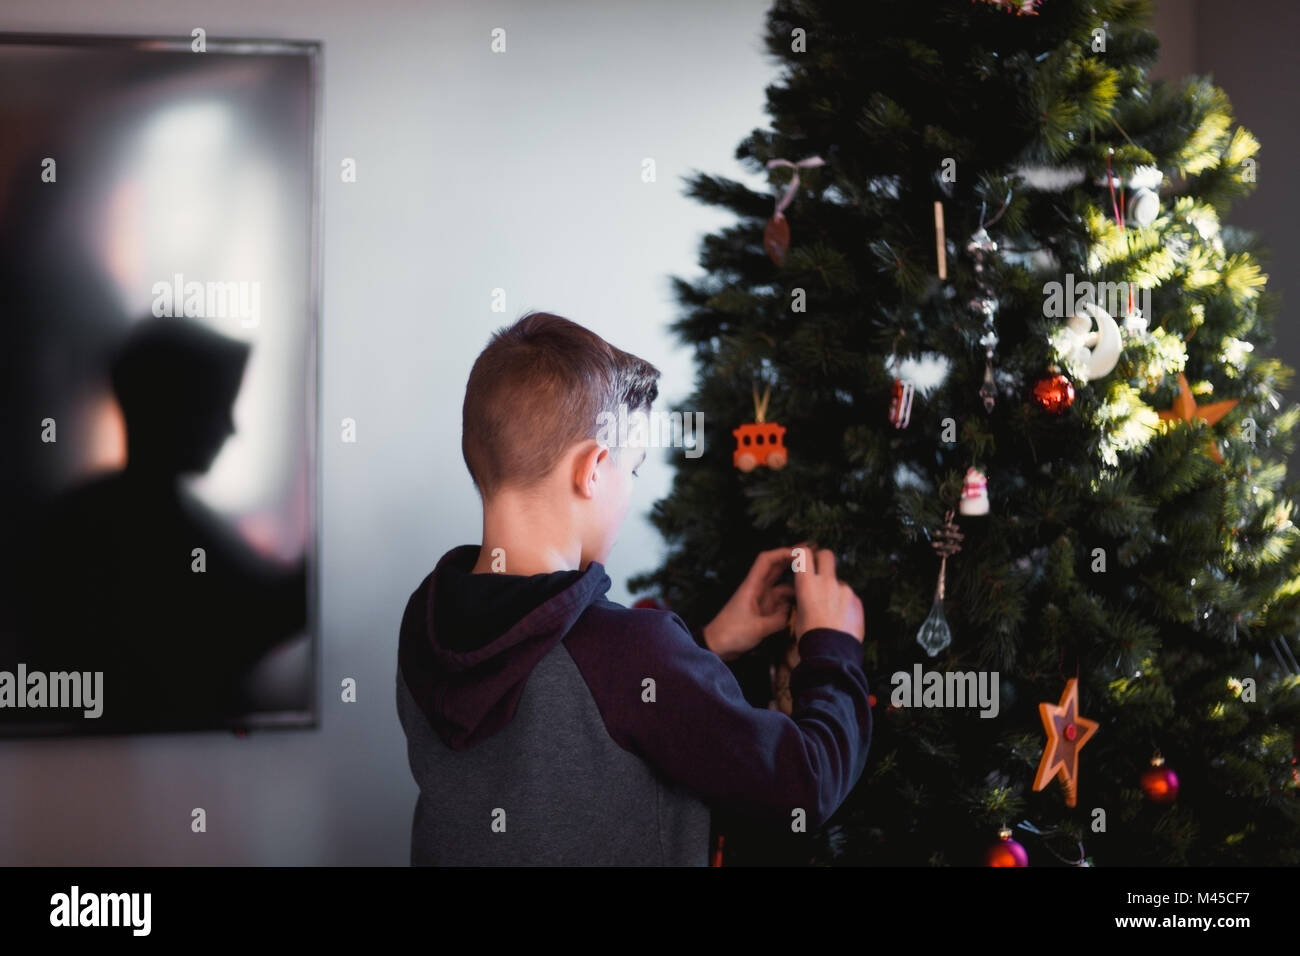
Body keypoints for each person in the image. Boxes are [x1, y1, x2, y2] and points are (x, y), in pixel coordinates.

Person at [395, 311, 870, 865]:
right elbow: (802, 787)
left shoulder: (427, 620)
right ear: (593, 470)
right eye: (634, 469)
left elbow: (570, 692)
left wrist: (706, 642)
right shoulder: (633, 654)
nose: (630, 494)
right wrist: (834, 648)